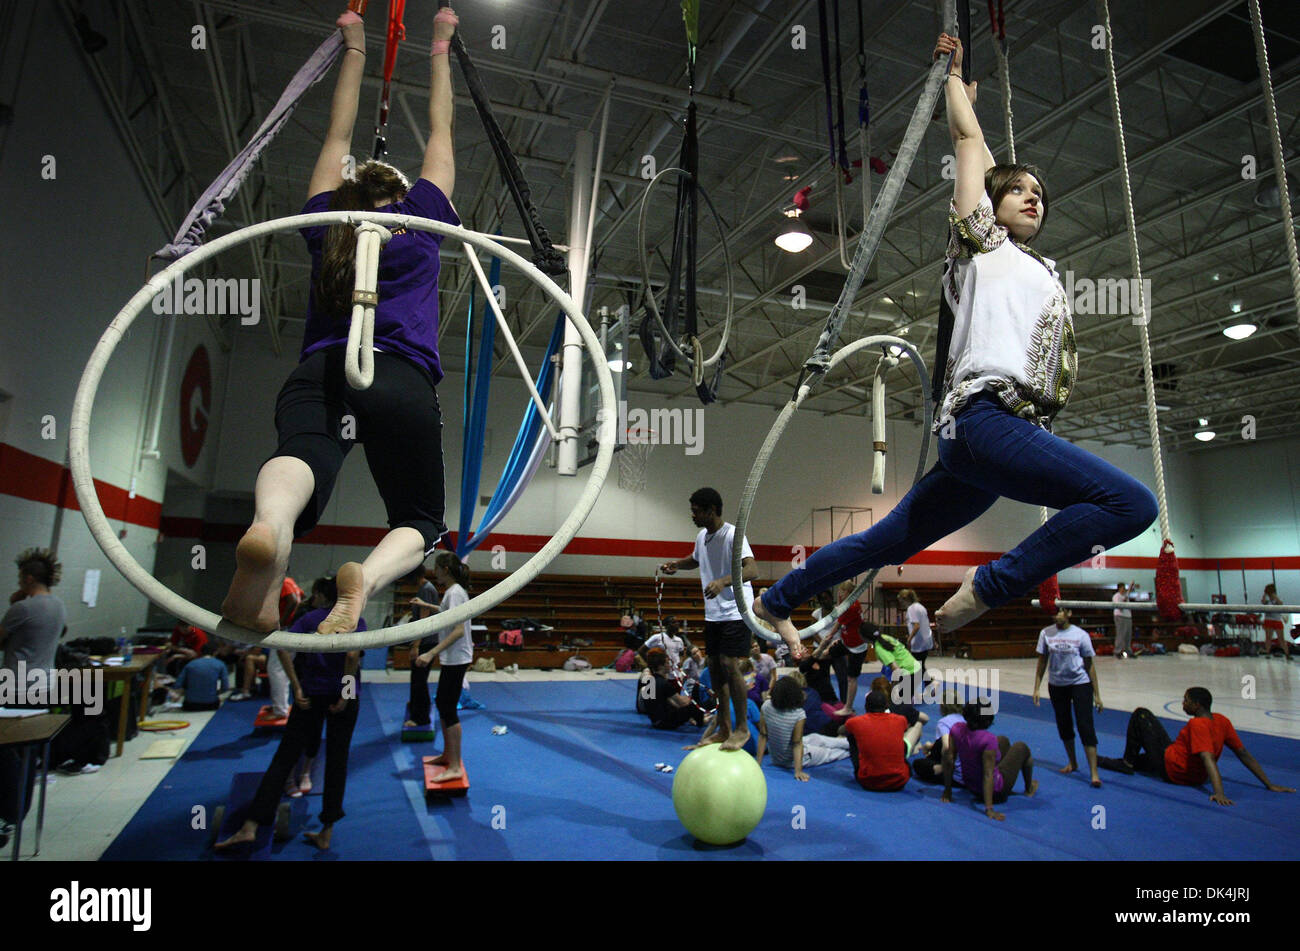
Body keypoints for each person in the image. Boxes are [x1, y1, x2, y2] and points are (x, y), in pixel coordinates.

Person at [751, 32, 1158, 647]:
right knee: (1131, 504)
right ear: (989, 205)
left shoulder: (1042, 270)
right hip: (984, 421)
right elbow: (971, 142)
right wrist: (952, 81)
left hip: (996, 442)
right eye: (1019, 190)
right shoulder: (981, 246)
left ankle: (779, 599)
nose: (1034, 199)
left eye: (1040, 195)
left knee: (885, 541)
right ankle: (993, 585)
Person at [220, 5, 462, 641]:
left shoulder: (328, 223)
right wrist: (440, 47)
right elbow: (443, 130)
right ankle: (369, 580)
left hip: (323, 369)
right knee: (419, 517)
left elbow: (335, 137)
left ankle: (272, 527)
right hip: (403, 383)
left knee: (300, 454)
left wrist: (353, 47)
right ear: (403, 196)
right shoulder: (424, 219)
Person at [216, 581, 369, 852]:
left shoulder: (311, 618)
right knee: (337, 759)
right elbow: (352, 655)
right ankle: (326, 831)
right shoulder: (356, 620)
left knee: (285, 756)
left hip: (309, 694)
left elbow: (282, 646)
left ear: (323, 596)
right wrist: (345, 695)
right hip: (339, 696)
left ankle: (250, 825)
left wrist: (296, 686)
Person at [659, 487, 763, 751]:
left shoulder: (732, 535)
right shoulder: (702, 536)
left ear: (712, 510)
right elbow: (696, 560)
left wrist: (722, 582)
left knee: (729, 662)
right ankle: (724, 726)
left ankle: (741, 729)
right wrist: (676, 565)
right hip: (714, 613)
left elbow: (752, 569)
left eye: (696, 511)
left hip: (736, 609)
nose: (692, 516)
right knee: (714, 669)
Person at [1098, 688, 1295, 805]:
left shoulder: (1197, 724)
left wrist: (1219, 793)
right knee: (1138, 762)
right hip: (1188, 768)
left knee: (1141, 715)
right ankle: (1106, 761)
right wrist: (1268, 784)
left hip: (1173, 769)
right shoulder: (1222, 721)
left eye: (1186, 701)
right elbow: (1243, 753)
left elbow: (1207, 757)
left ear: (1197, 705)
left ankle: (1126, 762)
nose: (1183, 704)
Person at [0, 548, 68, 847]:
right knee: (28, 753)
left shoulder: (22, 608)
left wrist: (13, 605)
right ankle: (17, 812)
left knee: (7, 752)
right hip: (44, 684)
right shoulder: (58, 606)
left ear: (27, 578)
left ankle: (7, 813)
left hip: (15, 685)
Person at [410, 552, 475, 784]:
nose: (433, 572)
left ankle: (455, 765)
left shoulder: (455, 592)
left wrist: (430, 653)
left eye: (436, 568)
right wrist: (426, 604)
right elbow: (447, 614)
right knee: (443, 704)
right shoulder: (453, 592)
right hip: (453, 658)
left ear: (445, 569)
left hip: (457, 658)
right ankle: (448, 754)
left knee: (448, 708)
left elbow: (458, 630)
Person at [1033, 609, 1102, 787]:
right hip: (1057, 684)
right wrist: (1036, 688)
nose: (1056, 615)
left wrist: (1097, 694)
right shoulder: (1046, 633)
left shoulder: (1081, 635)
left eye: (1060, 612)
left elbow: (1090, 665)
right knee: (1064, 724)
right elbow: (1042, 662)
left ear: (1069, 613)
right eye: (1054, 612)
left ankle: (1094, 772)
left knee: (1085, 725)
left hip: (1080, 683)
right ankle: (1072, 762)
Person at [943, 703, 1038, 821]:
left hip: (971, 785)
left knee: (1002, 740)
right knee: (1021, 747)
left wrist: (947, 792)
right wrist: (989, 809)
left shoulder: (956, 728)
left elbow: (949, 759)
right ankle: (1029, 788)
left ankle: (996, 768)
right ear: (987, 721)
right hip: (997, 792)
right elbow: (988, 775)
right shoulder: (988, 739)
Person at [756, 675, 851, 781]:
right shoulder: (798, 714)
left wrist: (758, 763)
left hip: (777, 757)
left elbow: (763, 735)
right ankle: (854, 749)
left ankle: (850, 742)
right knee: (829, 753)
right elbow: (797, 744)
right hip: (793, 759)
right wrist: (798, 771)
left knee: (817, 738)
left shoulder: (766, 705)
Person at [843, 690, 926, 791]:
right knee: (918, 725)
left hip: (867, 781)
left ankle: (859, 768)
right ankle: (909, 753)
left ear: (865, 706)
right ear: (887, 706)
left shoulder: (854, 722)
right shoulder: (900, 720)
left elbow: (842, 730)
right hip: (899, 780)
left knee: (851, 735)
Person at [822, 581, 873, 715]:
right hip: (846, 641)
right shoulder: (845, 603)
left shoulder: (851, 606)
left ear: (850, 593)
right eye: (839, 591)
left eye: (843, 591)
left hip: (857, 646)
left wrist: (829, 636)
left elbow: (838, 623)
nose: (839, 594)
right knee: (824, 654)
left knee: (851, 677)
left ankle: (848, 707)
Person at [638, 648, 705, 731]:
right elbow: (682, 703)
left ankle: (695, 717)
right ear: (660, 666)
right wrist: (694, 698)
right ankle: (702, 722)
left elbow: (664, 702)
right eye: (667, 663)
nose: (669, 665)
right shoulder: (664, 684)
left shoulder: (650, 681)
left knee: (678, 705)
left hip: (655, 720)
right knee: (697, 703)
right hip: (666, 722)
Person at [911, 701, 965, 785]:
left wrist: (943, 767)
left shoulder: (944, 722)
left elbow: (947, 747)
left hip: (955, 773)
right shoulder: (965, 720)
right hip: (967, 770)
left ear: (942, 705)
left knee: (917, 764)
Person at [170, 641, 228, 711]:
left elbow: (178, 684)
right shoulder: (220, 664)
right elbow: (225, 687)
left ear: (201, 652)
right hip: (211, 704)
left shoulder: (190, 664)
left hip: (190, 705)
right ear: (215, 652)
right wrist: (214, 693)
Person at [898, 589, 933, 682]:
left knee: (914, 666)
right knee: (919, 666)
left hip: (918, 643)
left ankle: (928, 684)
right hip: (926, 641)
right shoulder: (921, 607)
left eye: (901, 601)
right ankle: (929, 684)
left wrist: (909, 639)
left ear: (905, 599)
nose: (901, 604)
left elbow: (916, 626)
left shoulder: (911, 609)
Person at [1261, 584, 1291, 661]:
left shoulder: (1277, 600)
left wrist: (1274, 596)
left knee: (1281, 639)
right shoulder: (1267, 601)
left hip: (1277, 620)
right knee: (1268, 637)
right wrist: (1265, 594)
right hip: (1269, 620)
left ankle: (1287, 654)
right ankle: (1267, 652)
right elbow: (1263, 601)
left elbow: (1280, 603)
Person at [1112, 582, 1133, 659]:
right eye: (1122, 588)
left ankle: (1128, 651)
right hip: (1120, 616)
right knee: (1120, 635)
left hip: (1128, 616)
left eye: (1125, 588)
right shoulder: (1116, 596)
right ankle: (1117, 651)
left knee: (1128, 635)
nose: (1124, 589)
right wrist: (1125, 599)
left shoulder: (1126, 595)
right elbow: (1119, 607)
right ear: (1119, 588)